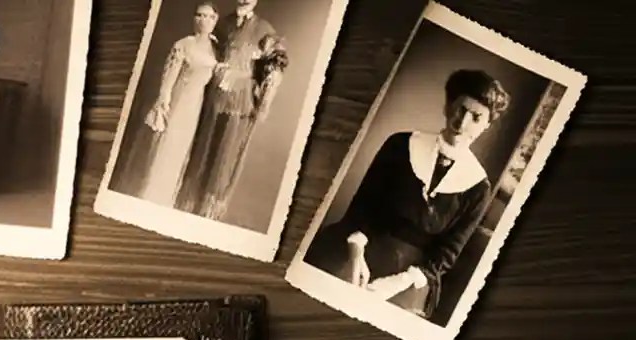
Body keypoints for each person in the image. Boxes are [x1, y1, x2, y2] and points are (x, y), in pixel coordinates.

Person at [304, 69, 511, 319]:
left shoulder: (478, 187)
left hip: (412, 273)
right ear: (447, 106)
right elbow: (363, 206)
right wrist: (356, 253)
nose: (462, 123)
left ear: (486, 126)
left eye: (476, 117)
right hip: (362, 241)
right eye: (459, 109)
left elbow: (447, 253)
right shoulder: (401, 144)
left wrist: (398, 282)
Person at [175, 0, 286, 220]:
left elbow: (275, 71)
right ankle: (186, 206)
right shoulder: (221, 24)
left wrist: (263, 104)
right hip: (212, 99)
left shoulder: (265, 30)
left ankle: (209, 212)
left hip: (240, 103)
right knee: (201, 149)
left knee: (225, 156)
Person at [136, 3, 220, 207]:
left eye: (208, 16)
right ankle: (153, 197)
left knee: (184, 149)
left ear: (215, 19)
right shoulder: (183, 44)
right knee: (169, 146)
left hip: (197, 105)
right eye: (199, 15)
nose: (203, 20)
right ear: (194, 18)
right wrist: (164, 101)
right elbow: (168, 78)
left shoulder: (216, 47)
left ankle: (169, 199)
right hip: (179, 101)